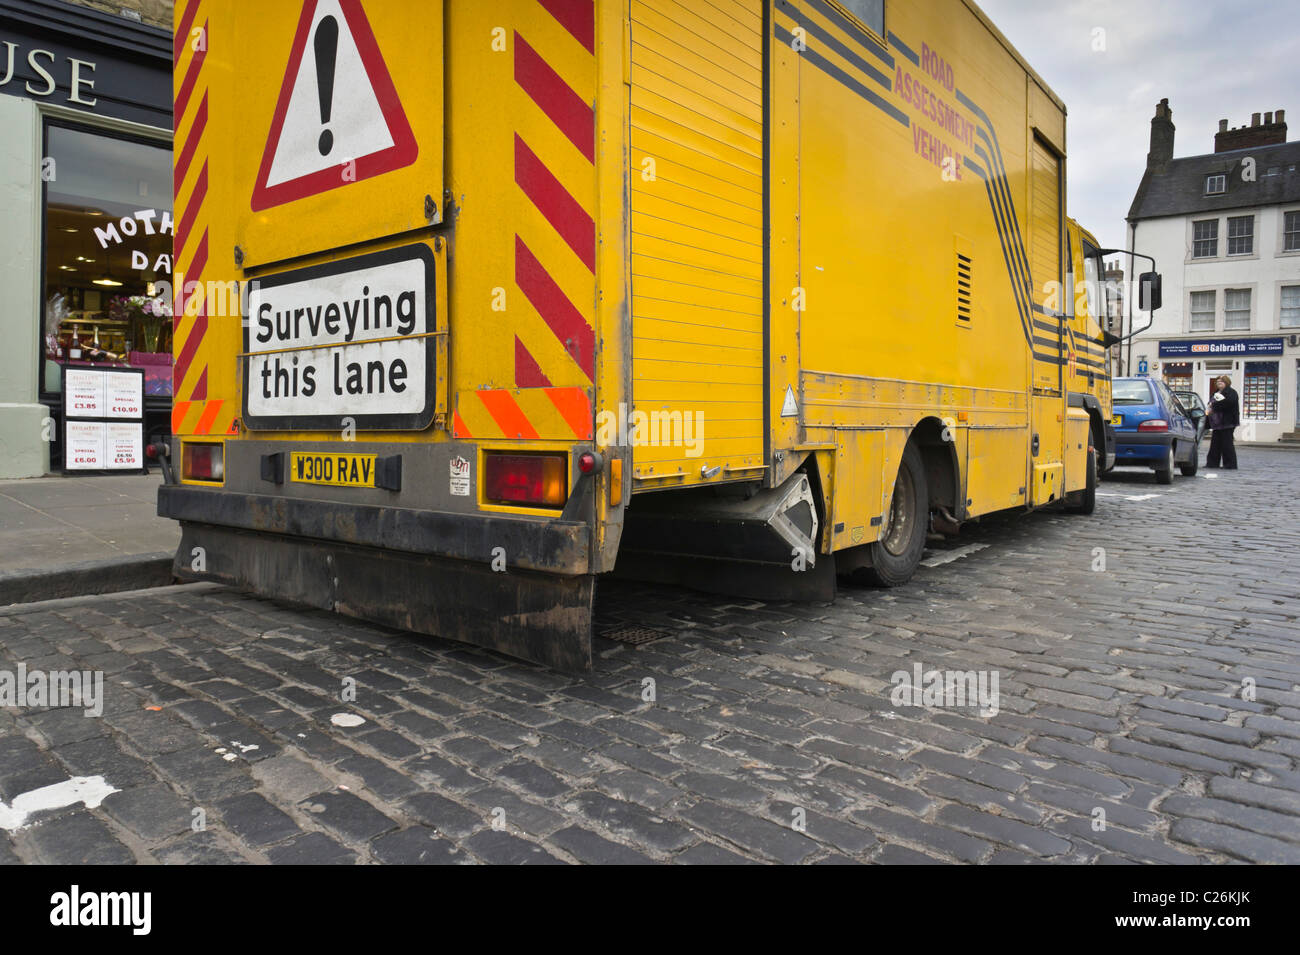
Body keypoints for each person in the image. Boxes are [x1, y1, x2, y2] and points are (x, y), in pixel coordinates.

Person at [1205, 375, 1240, 469]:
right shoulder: (1215, 392)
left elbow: (1229, 403)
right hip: (1216, 423)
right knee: (1215, 444)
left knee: (1227, 444)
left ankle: (1230, 464)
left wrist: (1214, 406)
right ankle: (1212, 463)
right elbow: (1210, 403)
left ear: (1226, 382)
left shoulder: (1231, 392)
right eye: (1218, 381)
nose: (1219, 382)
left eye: (1222, 381)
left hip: (1227, 422)